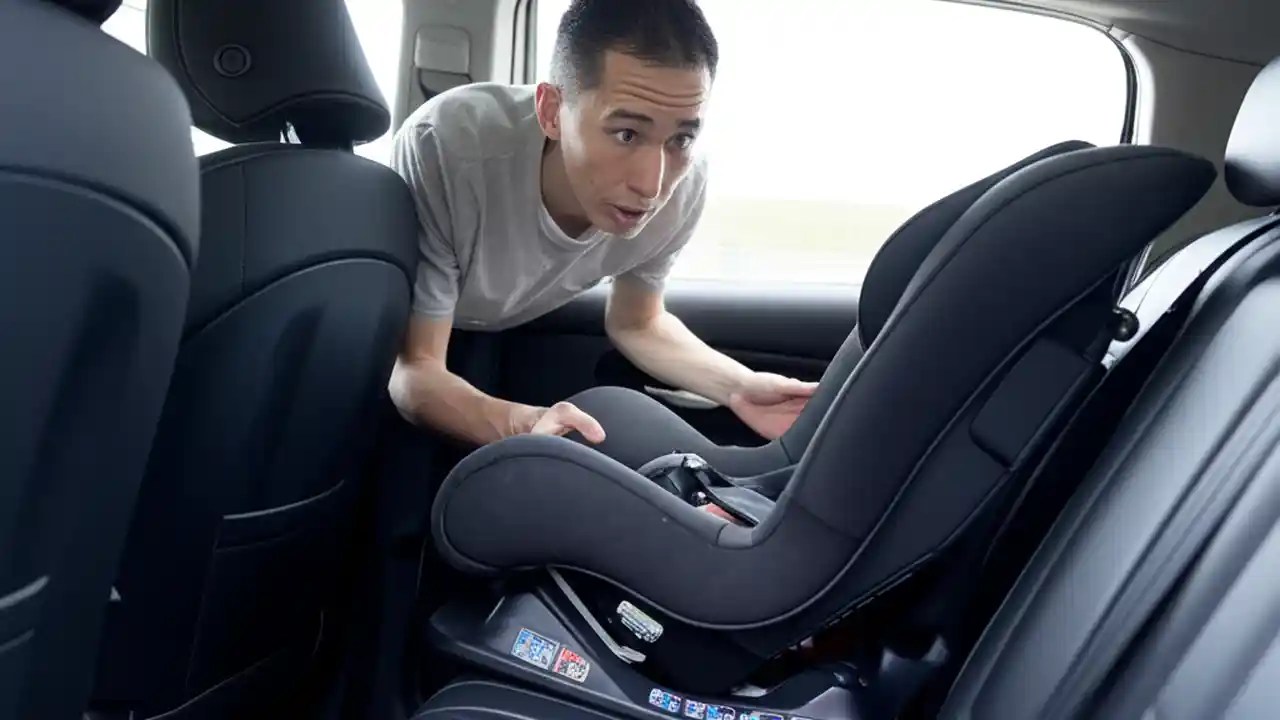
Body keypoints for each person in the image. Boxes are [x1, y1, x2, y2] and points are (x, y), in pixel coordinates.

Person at [387, 0, 816, 488]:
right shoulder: (447, 146)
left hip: (506, 327)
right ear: (551, 110)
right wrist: (521, 424)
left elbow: (638, 321)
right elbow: (414, 369)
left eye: (680, 139)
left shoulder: (684, 186)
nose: (652, 186)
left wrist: (740, 387)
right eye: (627, 133)